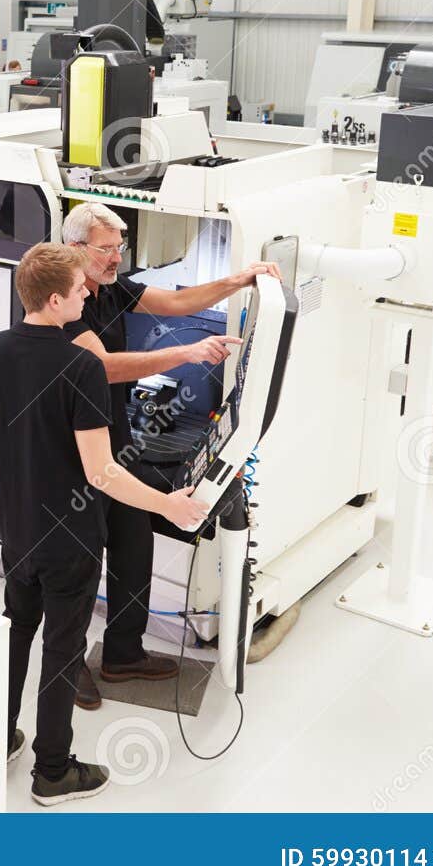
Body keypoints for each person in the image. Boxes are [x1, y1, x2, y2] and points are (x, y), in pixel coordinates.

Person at [0, 243, 206, 807]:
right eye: (79, 289)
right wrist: (166, 504)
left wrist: (9, 501)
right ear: (55, 299)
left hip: (18, 530)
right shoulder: (82, 366)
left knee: (18, 628)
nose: (87, 295)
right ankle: (52, 772)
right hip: (70, 538)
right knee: (63, 648)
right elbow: (101, 473)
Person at [60, 202, 281, 709]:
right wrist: (186, 354)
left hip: (115, 440)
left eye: (120, 247)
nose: (117, 257)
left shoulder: (111, 288)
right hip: (78, 451)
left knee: (134, 544)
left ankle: (122, 654)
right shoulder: (64, 302)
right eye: (106, 248)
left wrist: (241, 280)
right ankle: (66, 666)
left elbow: (178, 304)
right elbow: (105, 369)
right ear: (76, 249)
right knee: (82, 563)